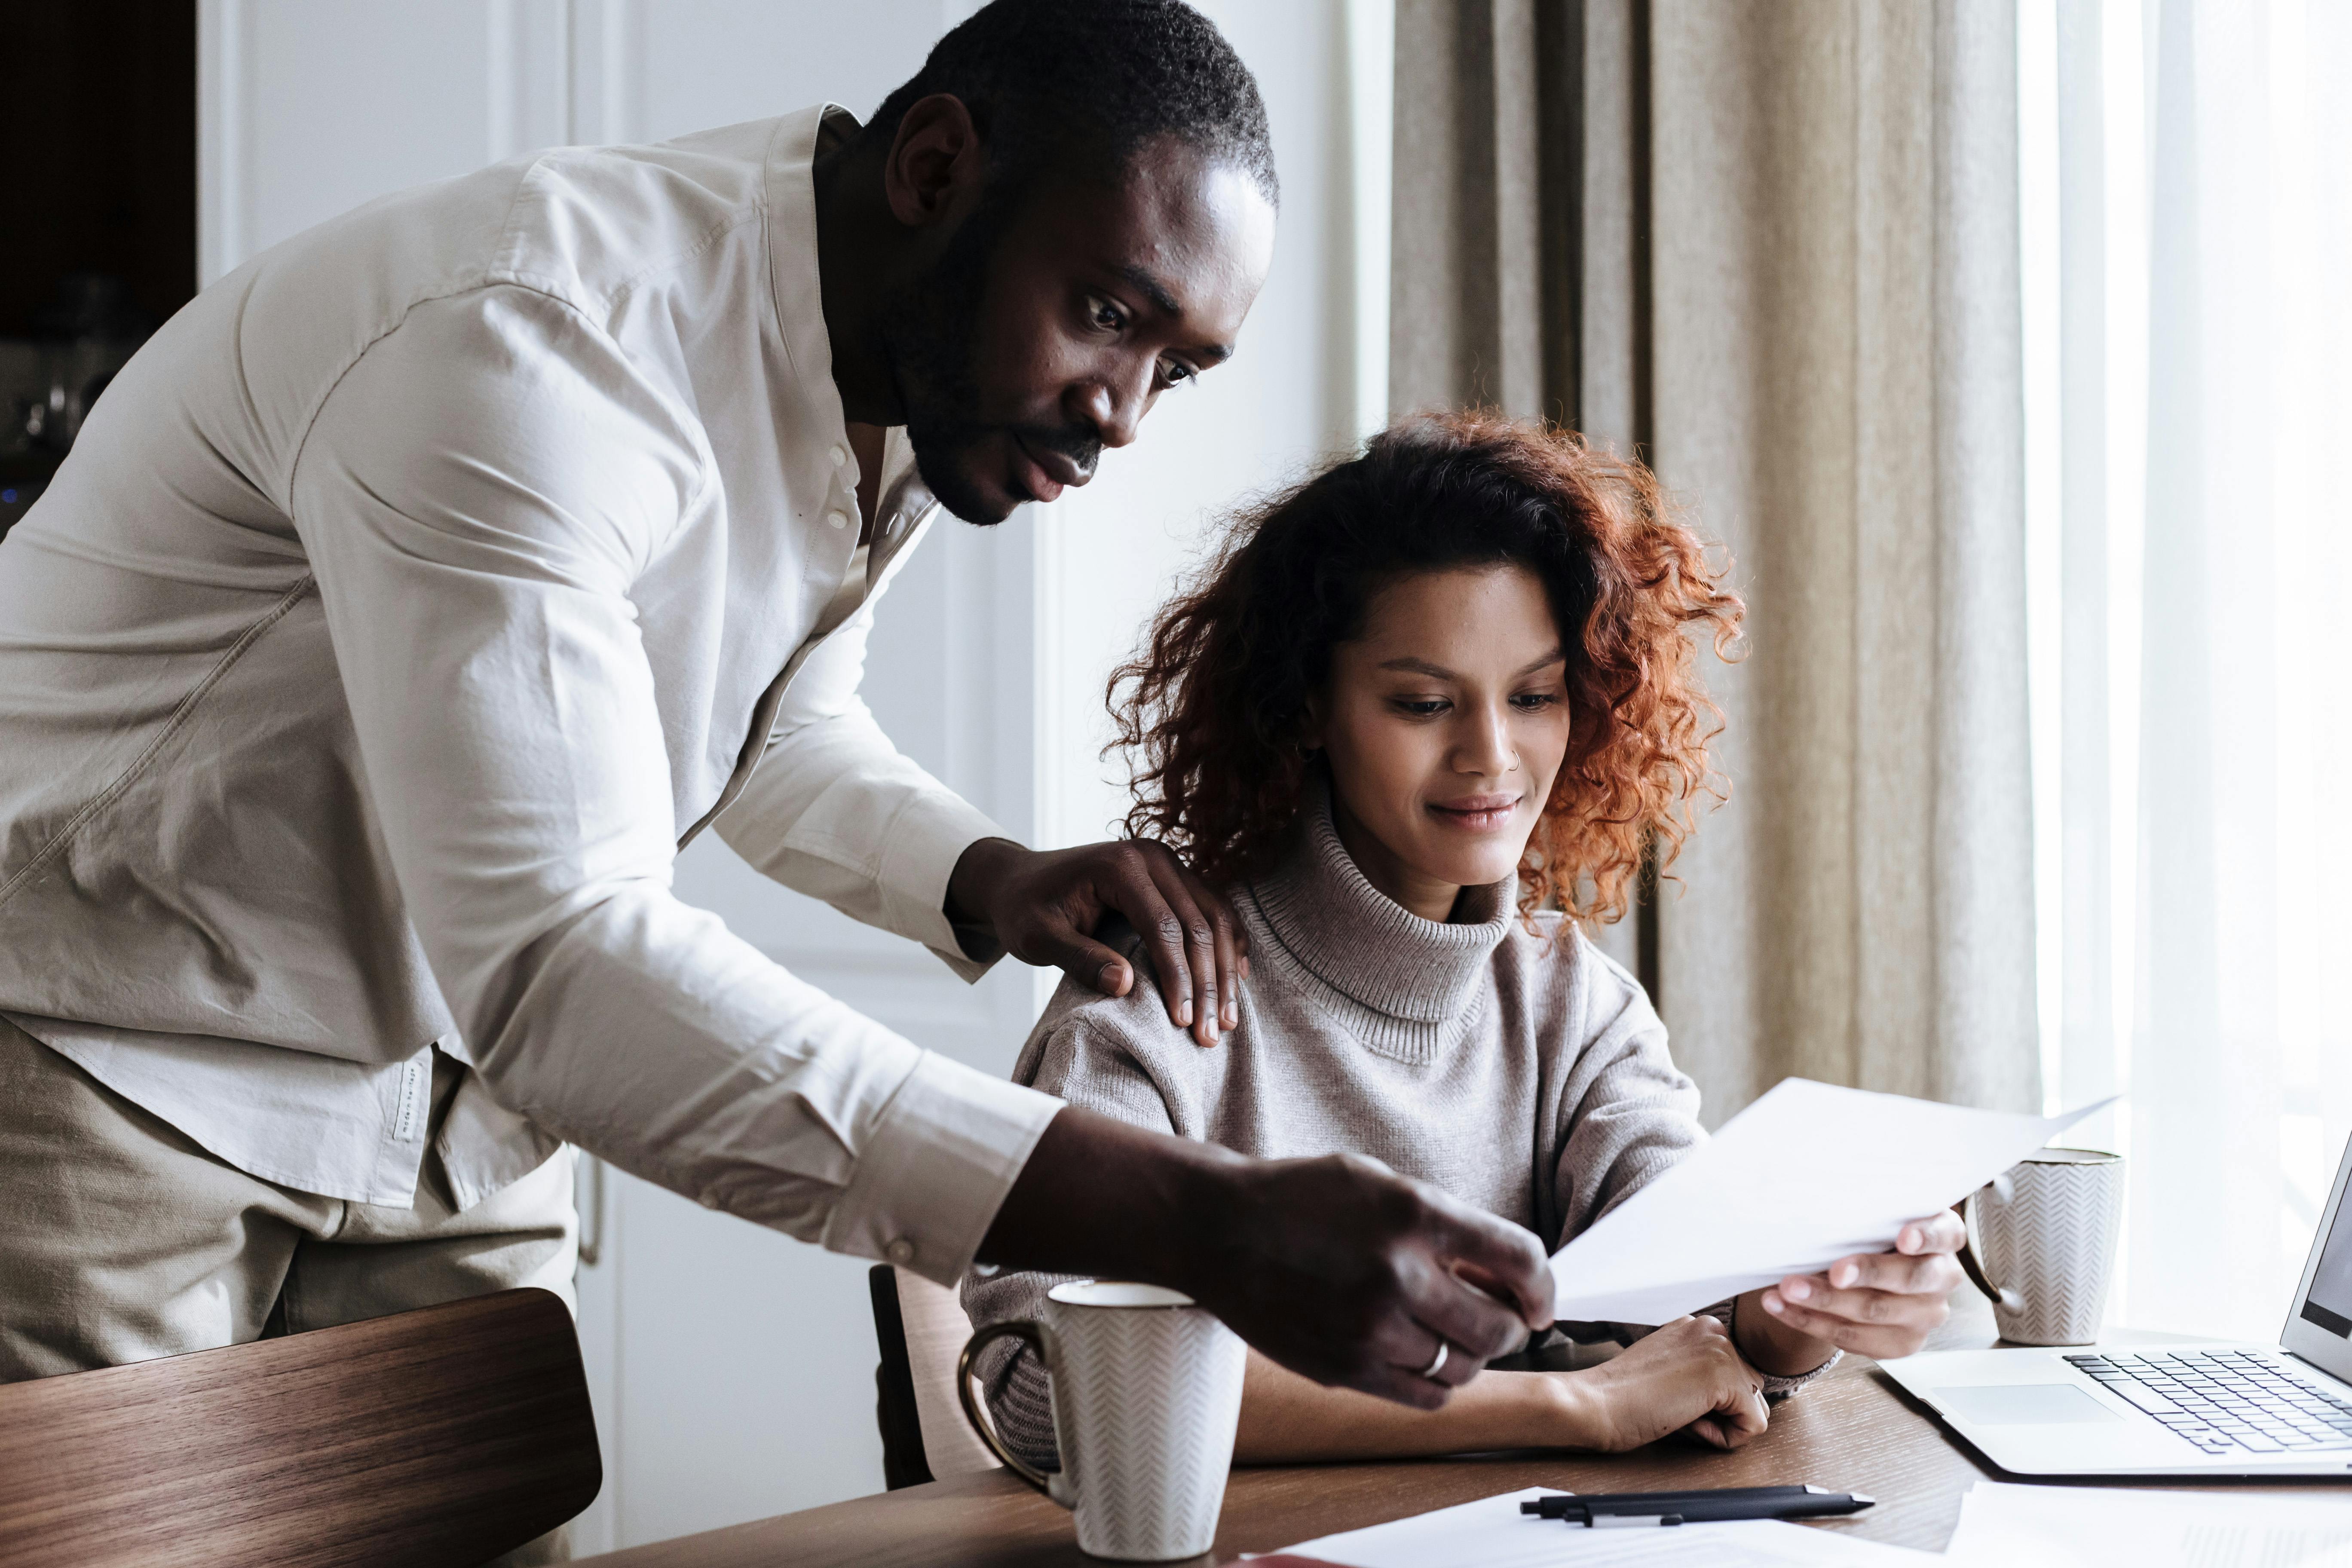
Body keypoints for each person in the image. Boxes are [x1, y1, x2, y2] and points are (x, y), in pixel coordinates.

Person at [0, 0, 1553, 1448]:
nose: (1124, 412)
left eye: (1178, 366)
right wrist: (1201, 1214)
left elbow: (762, 714)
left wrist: (985, 873)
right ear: (936, 168)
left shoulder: (903, 370)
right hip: (119, 1072)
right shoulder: (532, 345)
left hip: (442, 1103)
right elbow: (564, 953)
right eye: (1106, 313)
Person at [964, 411, 1972, 1467]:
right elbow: (1039, 1389)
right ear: (1307, 706)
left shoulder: (1570, 1000)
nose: (1492, 756)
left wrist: (1795, 1312)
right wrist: (1566, 1409)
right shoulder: (1154, 992)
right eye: (1423, 702)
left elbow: (1691, 1300)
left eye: (1535, 696)